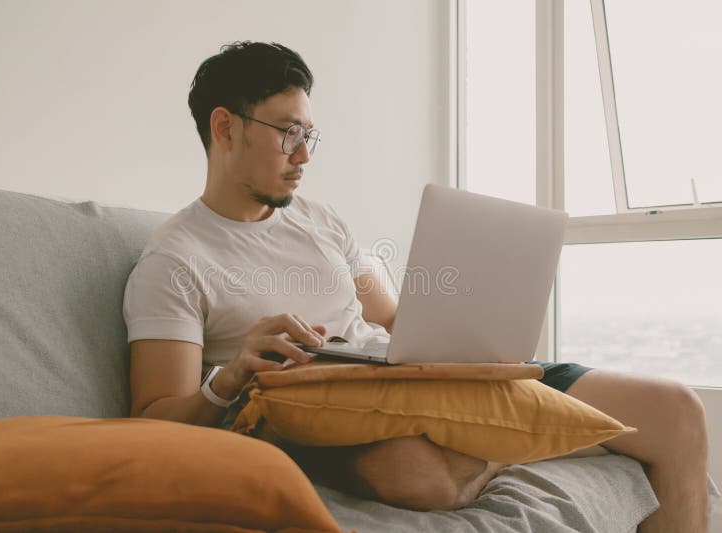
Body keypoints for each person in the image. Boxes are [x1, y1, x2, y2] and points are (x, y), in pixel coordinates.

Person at [123, 41, 709, 532]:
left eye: (310, 135)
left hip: (426, 383)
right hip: (334, 418)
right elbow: (152, 418)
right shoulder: (175, 260)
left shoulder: (321, 221)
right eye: (287, 133)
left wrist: (474, 326)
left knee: (677, 412)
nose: (303, 156)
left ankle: (530, 428)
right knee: (421, 478)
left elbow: (394, 320)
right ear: (224, 127)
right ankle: (538, 439)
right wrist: (232, 375)